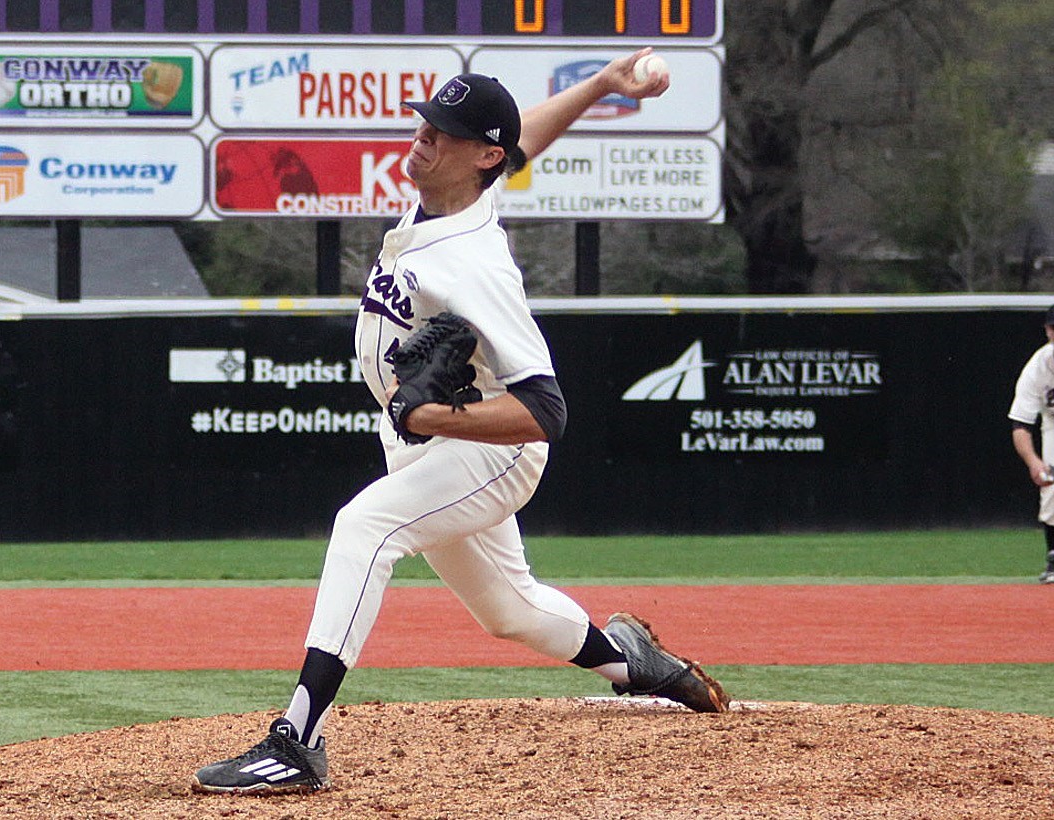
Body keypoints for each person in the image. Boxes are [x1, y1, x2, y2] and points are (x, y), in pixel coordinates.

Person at [192, 51, 729, 795]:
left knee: (363, 529)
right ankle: (630, 660)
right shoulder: (448, 193)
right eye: (426, 121)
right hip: (423, 439)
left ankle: (297, 739)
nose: (422, 138)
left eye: (442, 132)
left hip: (488, 451)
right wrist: (604, 85)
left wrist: (432, 412)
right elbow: (523, 138)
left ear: (481, 156)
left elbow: (547, 412)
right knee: (507, 611)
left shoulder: (477, 262)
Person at [1008, 300, 1054, 585]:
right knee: (1053, 484)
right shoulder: (1038, 366)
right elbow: (1021, 423)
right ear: (1046, 331)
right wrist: (1034, 463)